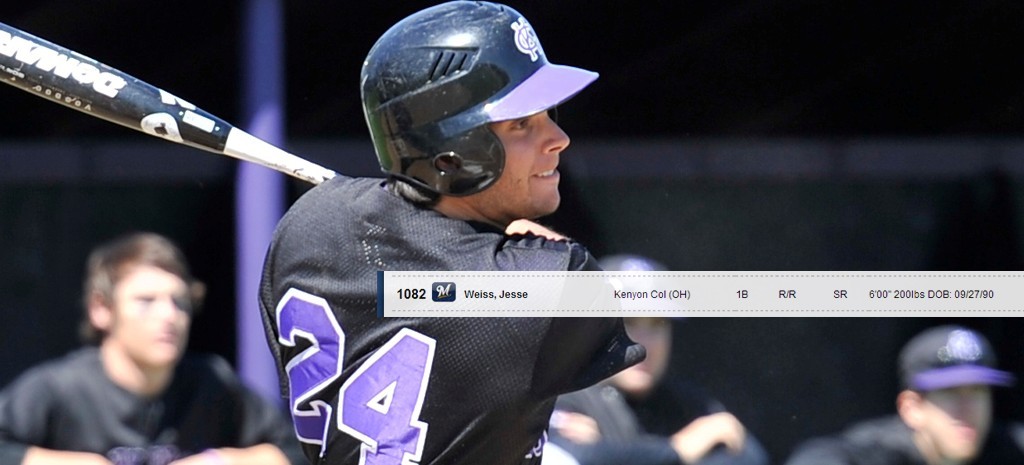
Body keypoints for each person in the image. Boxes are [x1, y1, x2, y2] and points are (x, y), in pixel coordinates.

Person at [257, 2, 644, 464]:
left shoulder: (310, 224)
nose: (558, 139)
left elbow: (414, 272)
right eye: (522, 123)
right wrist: (527, 249)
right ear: (451, 157)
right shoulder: (547, 288)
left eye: (547, 114)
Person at [0, 232, 305, 465]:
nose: (169, 316)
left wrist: (219, 460)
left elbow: (297, 449)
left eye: (180, 302)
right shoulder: (59, 389)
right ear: (101, 309)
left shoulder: (212, 383)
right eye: (146, 301)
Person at [545, 255, 770, 465]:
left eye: (656, 323)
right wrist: (678, 450)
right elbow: (567, 456)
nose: (643, 343)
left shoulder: (681, 403)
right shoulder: (558, 395)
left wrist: (617, 454)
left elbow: (748, 454)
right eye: (628, 321)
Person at [784, 324, 1024, 465]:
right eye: (950, 392)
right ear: (912, 408)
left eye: (978, 391)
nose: (967, 408)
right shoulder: (879, 452)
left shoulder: (1009, 448)